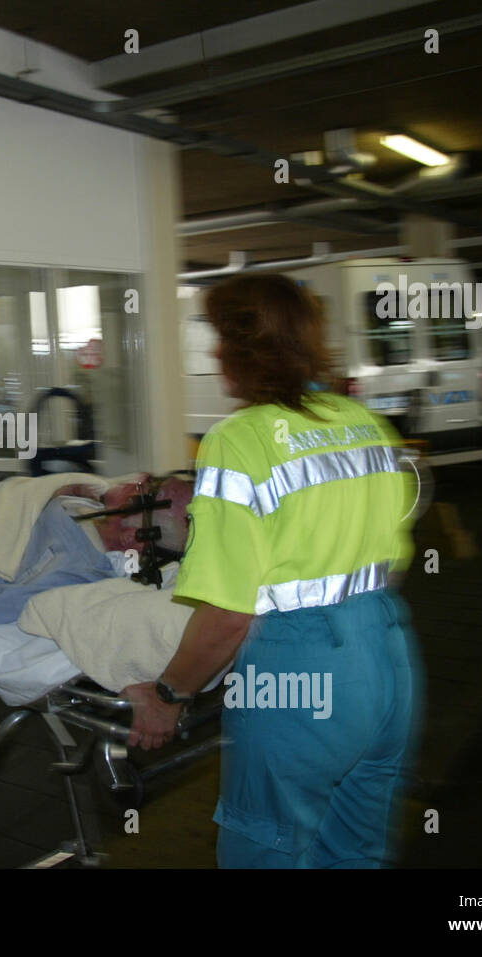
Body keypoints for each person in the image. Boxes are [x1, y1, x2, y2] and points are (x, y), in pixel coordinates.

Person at [124, 274, 423, 868]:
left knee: (266, 849)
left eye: (217, 338)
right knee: (354, 853)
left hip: (304, 675)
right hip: (389, 658)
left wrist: (168, 696)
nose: (211, 352)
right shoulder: (361, 421)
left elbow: (229, 615)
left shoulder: (240, 440)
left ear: (241, 348)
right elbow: (389, 562)